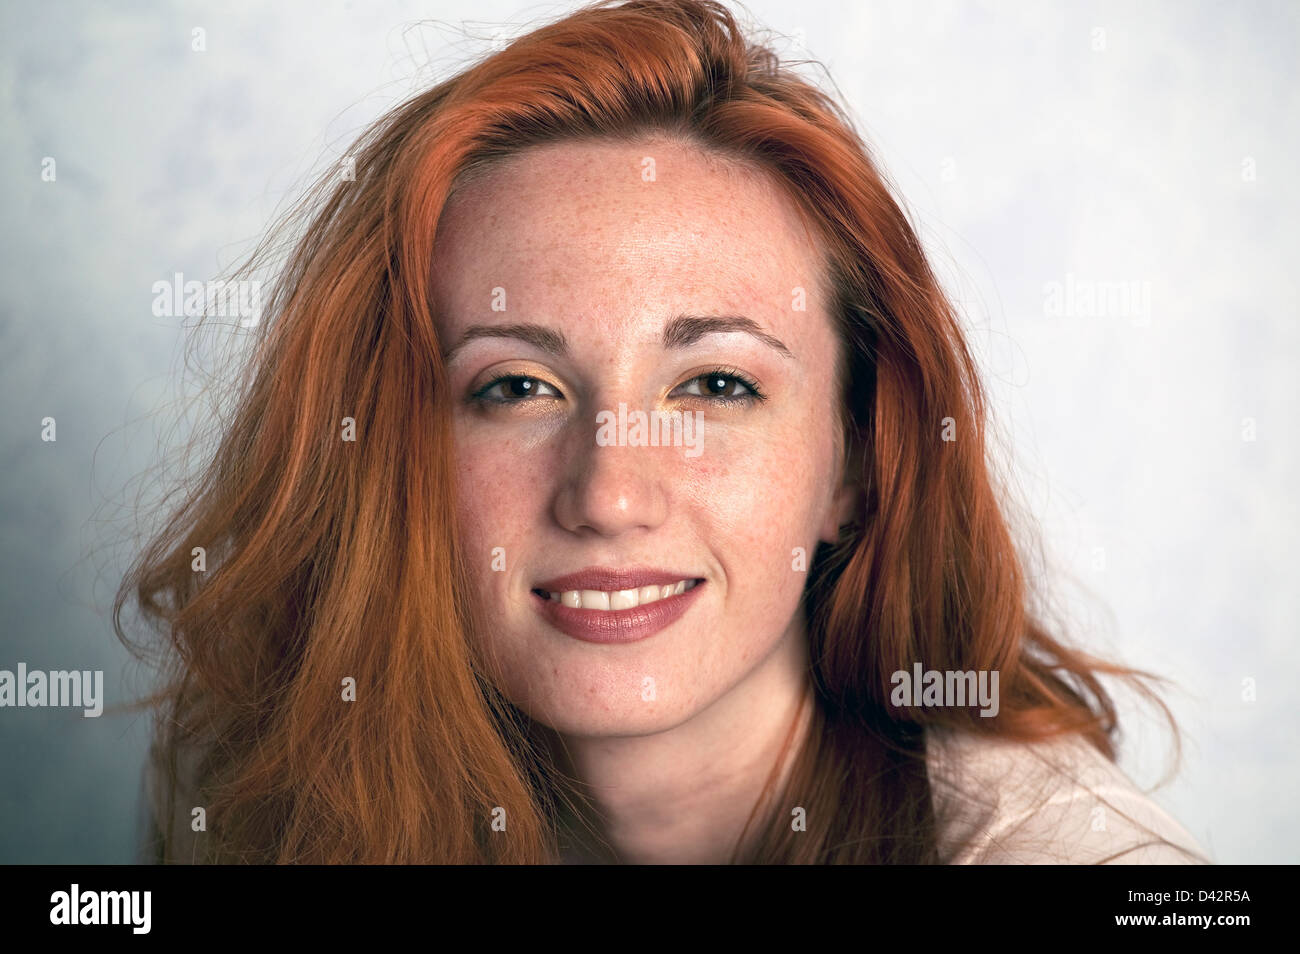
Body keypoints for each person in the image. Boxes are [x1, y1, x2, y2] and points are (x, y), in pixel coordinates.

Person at [121, 0, 1207, 864]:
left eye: (717, 386)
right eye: (514, 388)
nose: (607, 494)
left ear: (858, 465)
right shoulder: (251, 784)